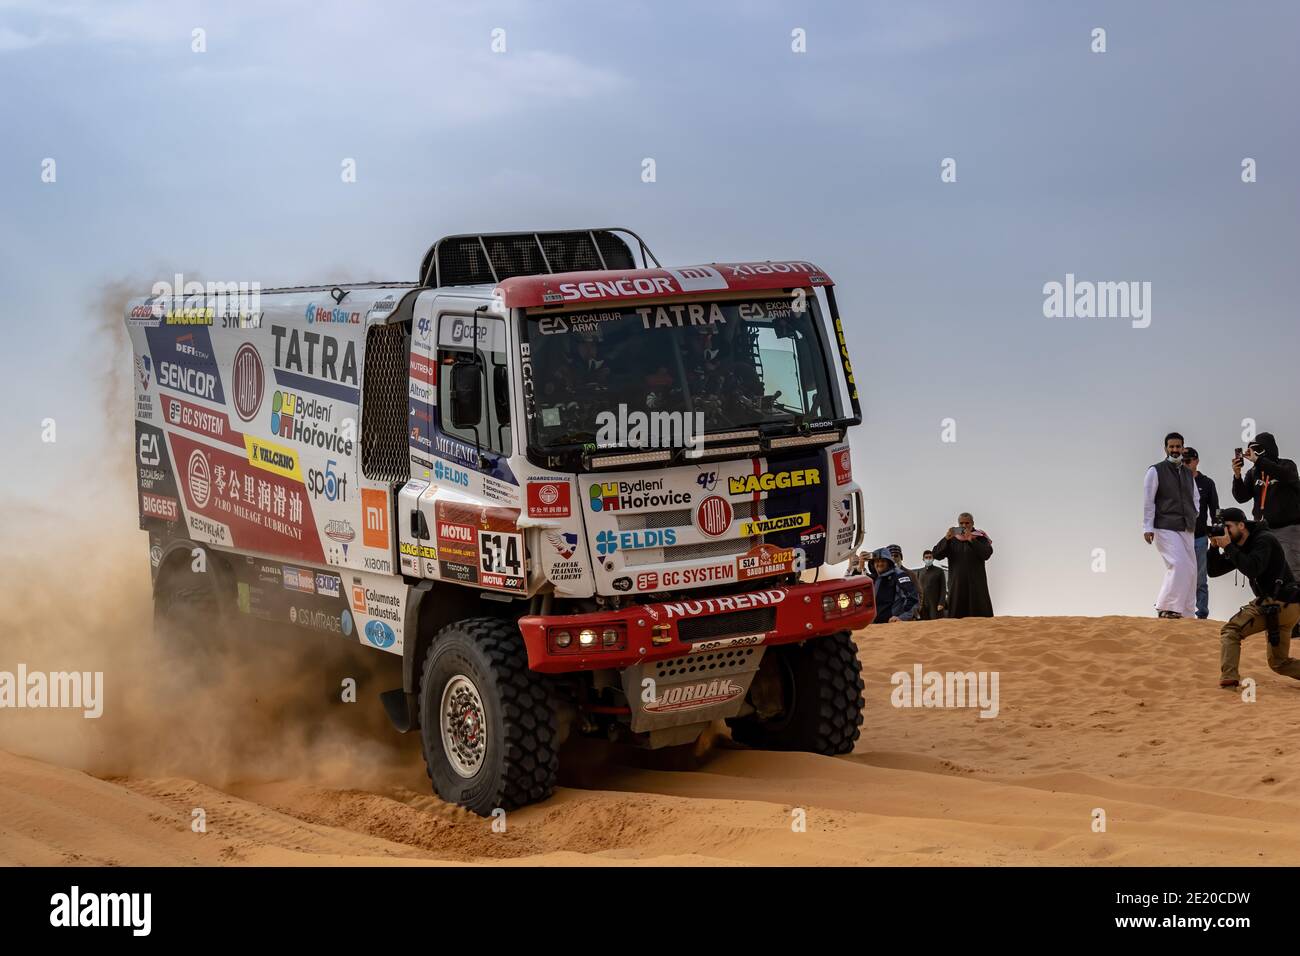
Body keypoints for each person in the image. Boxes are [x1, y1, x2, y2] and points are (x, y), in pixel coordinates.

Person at [1207, 507, 1300, 688]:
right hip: (1287, 606)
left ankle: (1229, 680)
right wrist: (1213, 547)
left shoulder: (1263, 540)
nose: (1225, 532)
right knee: (1279, 663)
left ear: (1241, 525)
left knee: (1231, 631)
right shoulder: (1242, 544)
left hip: (1280, 601)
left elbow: (1252, 568)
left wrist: (1228, 547)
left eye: (1227, 527)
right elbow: (1214, 571)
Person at [1142, 432, 1199, 619]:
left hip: (1187, 527)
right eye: (1171, 447)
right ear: (1165, 448)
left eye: (1178, 447)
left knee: (1191, 570)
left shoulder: (1188, 473)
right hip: (1165, 525)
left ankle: (1187, 612)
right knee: (1178, 564)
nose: (1175, 450)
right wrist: (1147, 527)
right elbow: (1148, 500)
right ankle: (1166, 607)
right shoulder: (1155, 471)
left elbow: (1195, 498)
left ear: (1183, 448)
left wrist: (1195, 514)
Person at [1231, 432, 1300, 577]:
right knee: (1267, 571)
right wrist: (1237, 476)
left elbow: (1286, 476)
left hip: (1287, 529)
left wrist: (1259, 461)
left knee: (1292, 570)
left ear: (1268, 447)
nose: (1255, 452)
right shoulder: (1253, 472)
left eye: (1258, 448)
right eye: (1252, 449)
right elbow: (1242, 497)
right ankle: (1269, 598)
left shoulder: (1286, 465)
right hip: (1264, 530)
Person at [931, 513, 993, 618]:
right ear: (958, 524)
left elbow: (986, 554)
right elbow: (936, 555)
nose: (964, 526)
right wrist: (946, 539)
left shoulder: (980, 537)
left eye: (967, 523)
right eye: (961, 523)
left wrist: (971, 539)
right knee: (957, 619)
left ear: (972, 523)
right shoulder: (952, 539)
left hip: (977, 585)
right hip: (957, 585)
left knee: (981, 619)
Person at [1183, 447, 1219, 620]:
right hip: (1180, 536)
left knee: (1200, 578)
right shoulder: (1177, 481)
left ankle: (1202, 614)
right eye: (1183, 461)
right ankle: (1180, 611)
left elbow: (1215, 510)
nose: (1186, 464)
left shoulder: (1207, 483)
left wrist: (1216, 533)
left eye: (1188, 460)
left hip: (1200, 536)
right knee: (1180, 574)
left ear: (1196, 461)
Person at [866, 547, 919, 623]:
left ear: (889, 562)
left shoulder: (899, 575)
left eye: (883, 561)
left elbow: (913, 598)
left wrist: (902, 618)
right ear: (873, 564)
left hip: (892, 625)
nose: (880, 564)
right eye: (877, 561)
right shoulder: (873, 579)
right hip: (875, 626)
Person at [916, 549, 948, 620]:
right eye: (926, 557)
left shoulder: (939, 571)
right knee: (924, 624)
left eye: (930, 557)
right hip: (923, 604)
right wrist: (917, 604)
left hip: (935, 603)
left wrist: (941, 603)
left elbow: (943, 588)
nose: (928, 559)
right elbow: (917, 589)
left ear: (933, 559)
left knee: (936, 623)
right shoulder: (920, 572)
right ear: (923, 559)